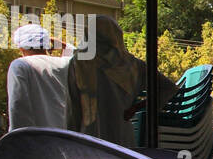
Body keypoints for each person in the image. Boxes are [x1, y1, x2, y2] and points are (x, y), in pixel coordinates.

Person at [66, 15, 177, 147]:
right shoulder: (133, 65)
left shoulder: (78, 63)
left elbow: (74, 109)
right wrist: (136, 108)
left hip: (89, 140)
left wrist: (70, 140)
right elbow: (169, 88)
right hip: (122, 138)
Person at [7, 23, 73, 131]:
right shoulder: (65, 63)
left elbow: (17, 107)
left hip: (37, 141)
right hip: (67, 139)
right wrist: (64, 46)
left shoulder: (21, 65)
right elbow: (79, 57)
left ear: (21, 47)